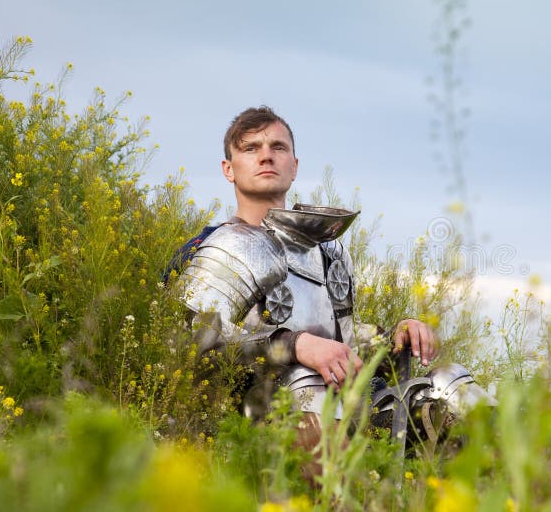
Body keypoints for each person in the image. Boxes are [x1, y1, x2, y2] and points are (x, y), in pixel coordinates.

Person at [172, 106, 493, 466]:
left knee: (453, 385)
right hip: (260, 411)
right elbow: (190, 341)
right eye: (251, 148)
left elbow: (344, 338)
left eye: (278, 147)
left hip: (345, 403)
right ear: (228, 169)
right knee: (305, 380)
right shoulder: (226, 246)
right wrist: (295, 345)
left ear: (294, 166)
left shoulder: (327, 250)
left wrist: (394, 338)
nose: (266, 155)